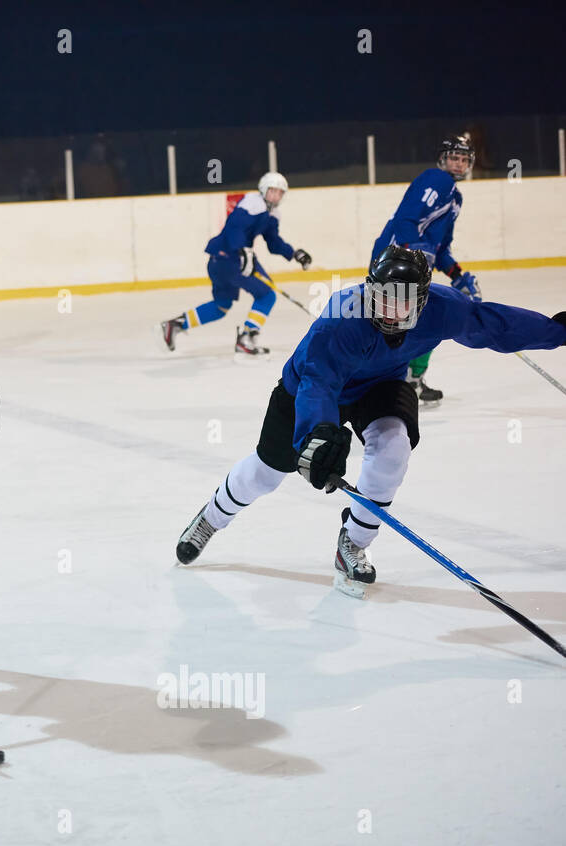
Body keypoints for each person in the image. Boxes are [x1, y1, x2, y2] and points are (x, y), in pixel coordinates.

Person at [174, 246, 565, 597]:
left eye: (402, 302)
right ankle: (211, 517)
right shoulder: (342, 319)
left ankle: (354, 543)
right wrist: (318, 433)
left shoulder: (444, 309)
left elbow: (493, 325)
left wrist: (557, 332)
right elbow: (319, 382)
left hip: (380, 385)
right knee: (266, 473)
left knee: (393, 447)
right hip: (310, 390)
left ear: (423, 302)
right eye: (381, 299)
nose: (389, 311)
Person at [371, 134, 481, 406]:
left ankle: (410, 383)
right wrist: (409, 259)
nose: (458, 164)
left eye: (464, 159)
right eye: (454, 158)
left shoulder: (455, 198)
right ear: (443, 160)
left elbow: (440, 247)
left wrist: (457, 274)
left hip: (410, 266)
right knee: (399, 328)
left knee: (424, 323)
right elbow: (406, 219)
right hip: (396, 263)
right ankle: (391, 385)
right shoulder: (436, 179)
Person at [160, 172, 313, 356]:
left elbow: (273, 242)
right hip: (231, 258)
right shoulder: (252, 203)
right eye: (273, 191)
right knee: (267, 296)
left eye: (280, 193)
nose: (276, 196)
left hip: (221, 260)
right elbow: (234, 227)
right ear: (264, 190)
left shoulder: (272, 213)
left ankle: (174, 325)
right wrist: (242, 250)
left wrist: (293, 253)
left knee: (221, 306)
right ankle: (246, 338)